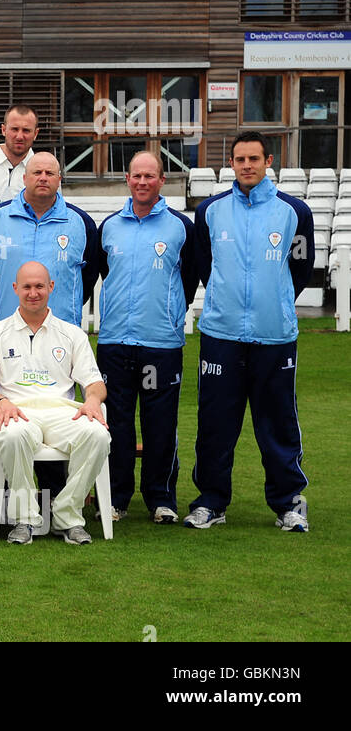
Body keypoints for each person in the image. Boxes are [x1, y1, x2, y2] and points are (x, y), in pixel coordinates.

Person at [185, 132, 314, 532]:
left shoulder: (294, 211)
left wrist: (271, 301)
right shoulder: (209, 210)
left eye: (253, 158)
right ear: (231, 162)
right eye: (239, 159)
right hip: (221, 335)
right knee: (216, 423)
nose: (246, 166)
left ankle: (288, 503)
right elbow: (206, 266)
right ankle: (210, 502)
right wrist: (228, 299)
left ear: (268, 160)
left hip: (274, 336)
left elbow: (301, 268)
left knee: (277, 423)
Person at [0, 262, 111, 545]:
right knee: (12, 435)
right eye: (27, 287)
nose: (33, 293)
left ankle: (67, 514)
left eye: (39, 286)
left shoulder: (72, 334)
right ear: (15, 289)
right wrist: (1, 402)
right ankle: (25, 519)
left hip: (62, 412)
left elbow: (94, 383)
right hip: (18, 411)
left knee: (98, 435)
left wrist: (93, 401)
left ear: (51, 287)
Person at [94, 150, 195, 525]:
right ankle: (118, 497)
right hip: (115, 341)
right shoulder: (109, 227)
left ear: (161, 180)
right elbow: (105, 272)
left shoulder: (180, 226)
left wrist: (169, 315)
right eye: (137, 176)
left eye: (150, 176)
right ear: (127, 179)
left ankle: (161, 498)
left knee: (160, 423)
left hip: (161, 344)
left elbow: (190, 277)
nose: (142, 182)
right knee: (116, 422)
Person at [0, 151, 100, 327]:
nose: (43, 178)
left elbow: (89, 277)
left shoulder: (81, 223)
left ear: (59, 180)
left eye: (49, 173)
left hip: (61, 331)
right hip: (4, 328)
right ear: (25, 178)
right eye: (37, 173)